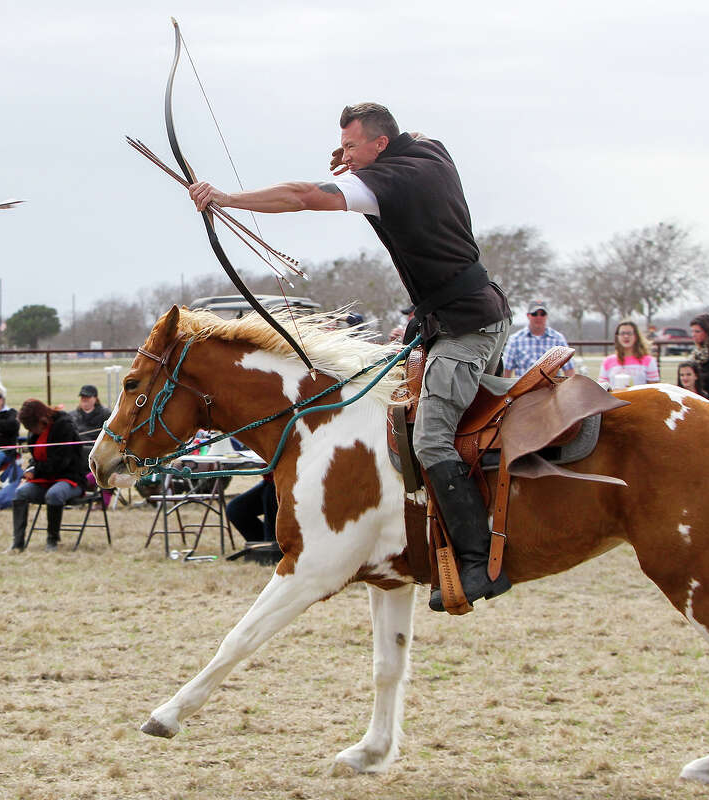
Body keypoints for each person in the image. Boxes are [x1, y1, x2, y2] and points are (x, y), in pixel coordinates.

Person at [188, 102, 512, 611]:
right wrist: (352, 155)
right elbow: (407, 136)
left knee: (429, 440)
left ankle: (477, 562)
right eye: (343, 148)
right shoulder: (428, 150)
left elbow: (302, 196)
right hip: (447, 319)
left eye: (352, 146)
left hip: (467, 327)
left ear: (380, 144)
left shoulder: (387, 183)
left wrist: (225, 198)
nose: (344, 157)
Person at [9, 399, 88, 552]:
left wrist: (36, 470)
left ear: (42, 419)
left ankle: (52, 540)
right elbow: (35, 458)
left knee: (54, 494)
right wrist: (30, 468)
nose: (31, 430)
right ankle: (17, 543)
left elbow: (60, 463)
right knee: (20, 493)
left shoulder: (65, 427)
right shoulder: (34, 433)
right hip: (44, 479)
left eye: (32, 426)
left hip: (70, 478)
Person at [502, 301, 576, 378]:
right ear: (528, 315)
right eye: (534, 314)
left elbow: (569, 370)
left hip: (552, 388)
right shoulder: (515, 340)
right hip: (524, 388)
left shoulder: (558, 339)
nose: (539, 317)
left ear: (547, 316)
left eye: (542, 314)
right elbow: (506, 370)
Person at [598, 321, 659, 388]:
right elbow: (601, 389)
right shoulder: (607, 361)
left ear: (636, 336)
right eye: (622, 333)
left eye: (629, 333)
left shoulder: (648, 360)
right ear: (617, 337)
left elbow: (653, 388)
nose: (626, 336)